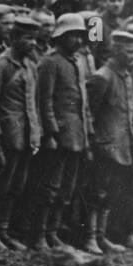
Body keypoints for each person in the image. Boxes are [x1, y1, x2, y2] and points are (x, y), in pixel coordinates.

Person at [35, 13, 93, 250]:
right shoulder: (50, 62)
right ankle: (38, 234)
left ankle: (53, 232)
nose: (77, 41)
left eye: (80, 36)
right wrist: (50, 133)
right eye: (72, 36)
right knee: (49, 187)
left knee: (66, 189)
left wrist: (87, 133)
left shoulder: (77, 61)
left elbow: (83, 101)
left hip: (76, 134)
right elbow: (44, 100)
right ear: (60, 36)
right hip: (58, 135)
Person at [84, 29, 133, 254]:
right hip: (105, 145)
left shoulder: (126, 75)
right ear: (117, 50)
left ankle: (101, 236)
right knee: (96, 192)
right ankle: (90, 236)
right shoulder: (103, 76)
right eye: (129, 51)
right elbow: (90, 113)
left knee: (110, 193)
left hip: (123, 144)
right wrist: (93, 142)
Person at [0, 13, 42, 250]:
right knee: (1, 185)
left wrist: (36, 131)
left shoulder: (31, 66)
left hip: (26, 134)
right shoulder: (2, 65)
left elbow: (34, 102)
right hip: (8, 135)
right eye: (28, 39)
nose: (32, 44)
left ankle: (4, 229)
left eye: (34, 39)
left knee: (16, 186)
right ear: (15, 38)